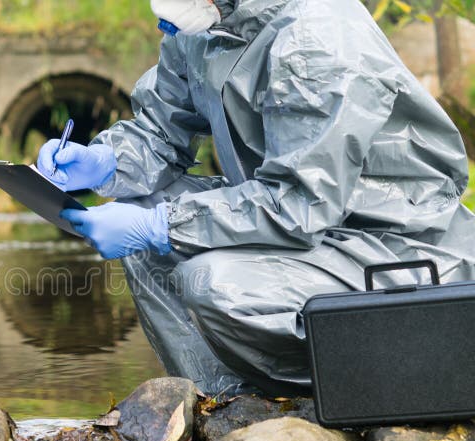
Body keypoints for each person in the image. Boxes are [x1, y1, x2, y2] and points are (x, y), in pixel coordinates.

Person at [36, 0, 475, 396]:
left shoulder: (316, 36)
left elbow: (298, 202)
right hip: (303, 227)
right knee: (140, 208)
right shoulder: (204, 23)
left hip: (391, 248)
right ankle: (217, 401)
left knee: (214, 282)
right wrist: (105, 162)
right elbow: (160, 131)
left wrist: (164, 225)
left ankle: (331, 394)